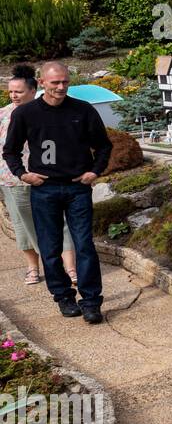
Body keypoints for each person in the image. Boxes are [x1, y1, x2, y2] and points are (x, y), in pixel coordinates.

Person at [2, 61, 112, 324]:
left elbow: (104, 146)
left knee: (84, 245)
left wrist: (95, 171)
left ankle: (91, 301)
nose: (61, 87)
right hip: (44, 189)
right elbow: (10, 151)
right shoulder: (25, 114)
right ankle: (63, 296)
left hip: (77, 188)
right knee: (50, 248)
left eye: (65, 82)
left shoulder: (83, 110)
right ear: (42, 83)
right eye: (55, 82)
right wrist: (22, 174)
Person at [0, 66, 77, 287]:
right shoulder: (3, 115)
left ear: (34, 90)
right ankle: (34, 267)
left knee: (59, 223)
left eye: (19, 91)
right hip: (13, 179)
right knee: (23, 225)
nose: (14, 95)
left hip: (46, 177)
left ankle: (70, 269)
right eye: (11, 91)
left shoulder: (46, 112)